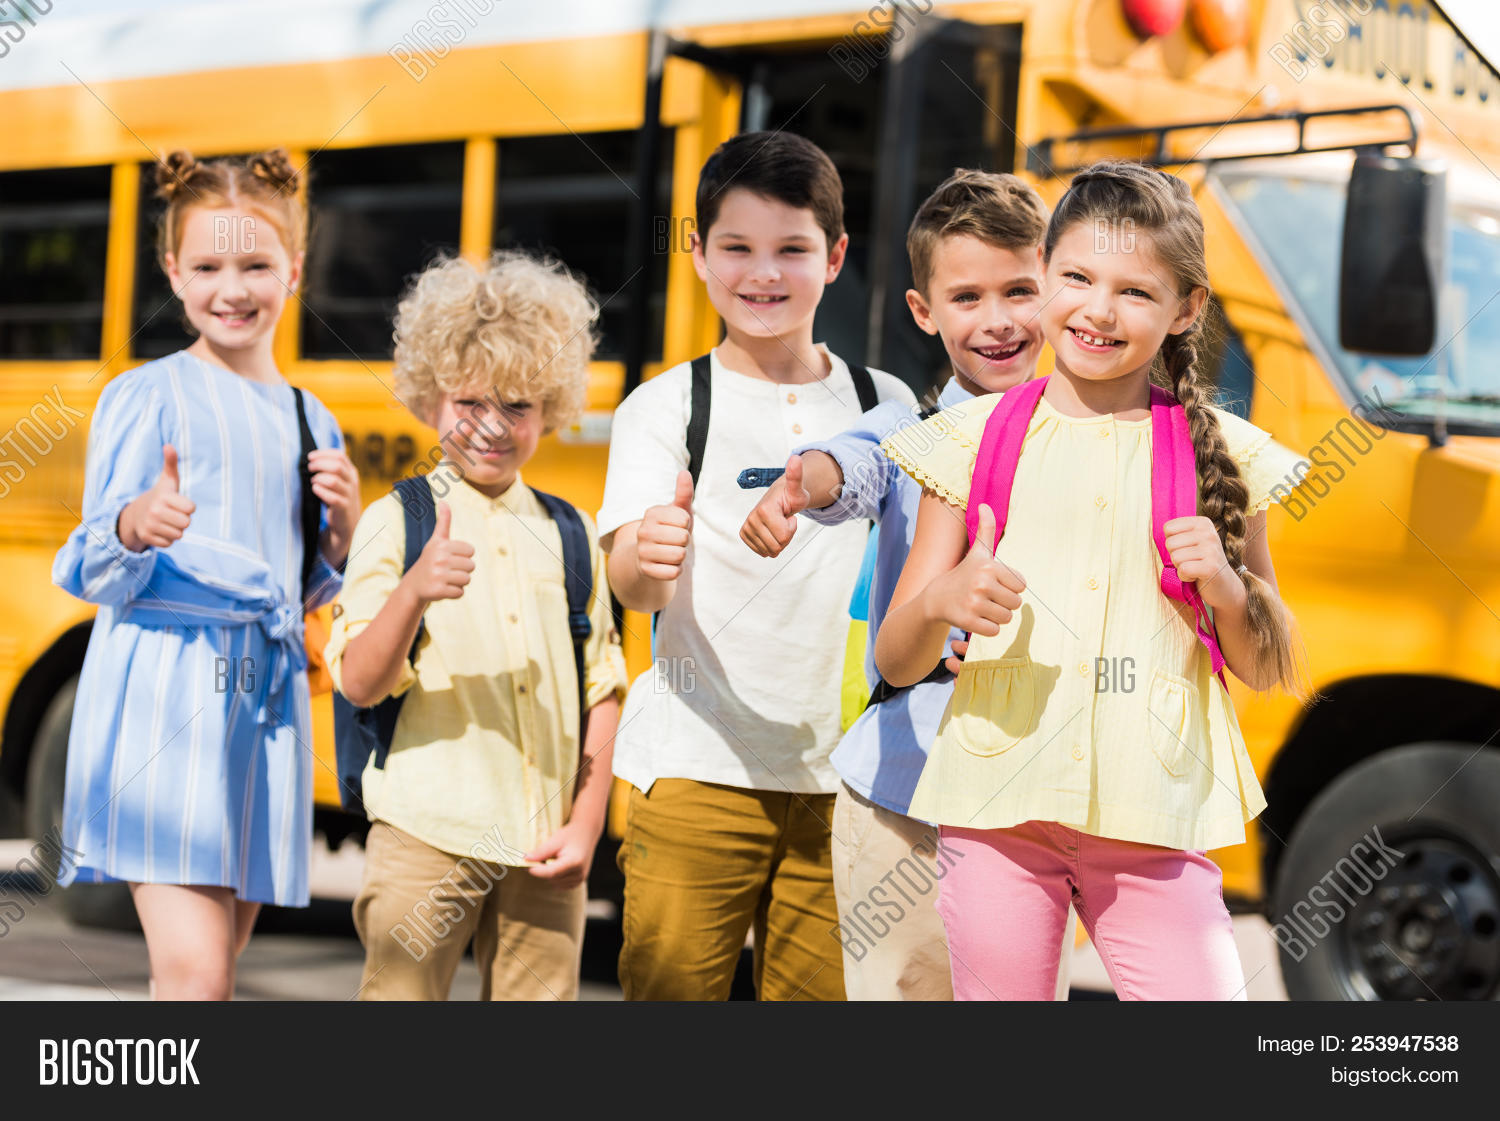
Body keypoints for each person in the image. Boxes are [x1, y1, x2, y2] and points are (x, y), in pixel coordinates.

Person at [874, 161, 1306, 1000]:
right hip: (995, 817)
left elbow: (1264, 664)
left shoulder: (1228, 455)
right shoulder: (966, 443)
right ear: (1043, 278)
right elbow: (895, 659)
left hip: (1157, 826)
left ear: (1187, 308)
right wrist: (942, 599)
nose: (1099, 310)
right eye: (1075, 277)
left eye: (1136, 291)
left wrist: (1225, 584)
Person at [598, 130, 915, 1000]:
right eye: (735, 247)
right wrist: (648, 558)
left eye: (792, 250)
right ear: (697, 253)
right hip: (699, 769)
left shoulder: (885, 403)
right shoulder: (664, 405)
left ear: (837, 256)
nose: (763, 274)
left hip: (848, 780)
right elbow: (630, 579)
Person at [740, 170, 1061, 999]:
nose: (996, 320)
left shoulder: (1091, 437)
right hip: (905, 799)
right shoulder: (911, 429)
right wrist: (797, 483)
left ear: (1057, 286)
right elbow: (851, 463)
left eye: (1020, 290)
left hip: (1036, 805)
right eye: (967, 297)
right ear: (925, 312)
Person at [52, 150, 361, 1000]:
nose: (234, 287)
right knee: (196, 979)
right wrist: (133, 523)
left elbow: (305, 588)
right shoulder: (144, 394)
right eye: (209, 266)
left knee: (209, 984)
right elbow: (90, 558)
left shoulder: (312, 415)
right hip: (169, 696)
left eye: (256, 264)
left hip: (266, 708)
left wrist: (340, 533)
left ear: (294, 270)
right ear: (173, 273)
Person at [325, 251, 627, 1001]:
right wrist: (414, 592)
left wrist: (587, 824)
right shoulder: (396, 520)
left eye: (518, 405)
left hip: (544, 845)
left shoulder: (570, 531)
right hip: (428, 831)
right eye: (470, 402)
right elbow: (358, 679)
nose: (491, 425)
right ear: (431, 398)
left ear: (550, 409)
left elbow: (604, 688)